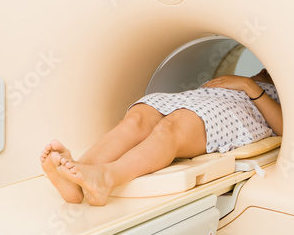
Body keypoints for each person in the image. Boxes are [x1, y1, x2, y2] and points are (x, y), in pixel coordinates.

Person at [40, 69, 281, 206]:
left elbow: (283, 127)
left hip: (240, 110)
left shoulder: (283, 90)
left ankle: (106, 178)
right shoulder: (260, 69)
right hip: (203, 97)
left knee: (171, 127)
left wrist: (250, 87)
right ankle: (80, 174)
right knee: (137, 120)